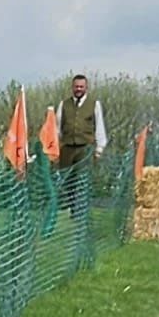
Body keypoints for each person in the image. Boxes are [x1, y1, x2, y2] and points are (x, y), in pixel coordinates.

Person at [56, 73, 107, 217]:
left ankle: (80, 210)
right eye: (76, 86)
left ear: (86, 88)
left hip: (85, 147)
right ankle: (72, 208)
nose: (78, 89)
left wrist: (99, 148)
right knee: (67, 180)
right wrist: (55, 146)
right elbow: (57, 127)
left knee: (81, 179)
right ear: (72, 87)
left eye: (81, 87)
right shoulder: (64, 104)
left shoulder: (94, 104)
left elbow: (99, 127)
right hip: (66, 147)